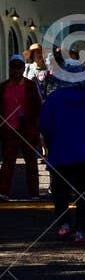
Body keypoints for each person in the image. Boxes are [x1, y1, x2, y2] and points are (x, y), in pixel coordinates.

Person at [39, 71, 85, 241]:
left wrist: (50, 142)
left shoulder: (55, 98)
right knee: (84, 192)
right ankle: (82, 231)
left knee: (60, 191)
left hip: (61, 152)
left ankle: (63, 224)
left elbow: (44, 124)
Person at [0, 56, 41, 201]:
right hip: (8, 129)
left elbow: (37, 106)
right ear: (10, 68)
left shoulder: (30, 86)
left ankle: (34, 193)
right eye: (13, 66)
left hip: (27, 130)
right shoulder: (3, 86)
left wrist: (35, 126)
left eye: (19, 66)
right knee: (7, 162)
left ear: (24, 68)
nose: (16, 70)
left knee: (31, 162)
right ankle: (3, 191)